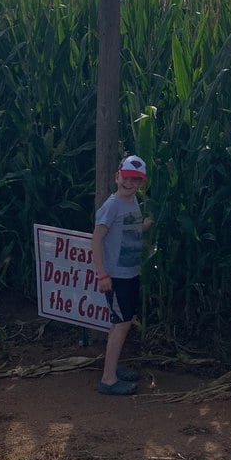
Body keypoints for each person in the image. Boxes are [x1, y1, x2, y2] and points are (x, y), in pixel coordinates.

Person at [92, 155, 153, 396]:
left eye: (136, 181)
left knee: (121, 323)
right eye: (127, 178)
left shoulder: (132, 203)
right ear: (117, 176)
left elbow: (127, 230)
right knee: (121, 324)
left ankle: (113, 367)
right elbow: (96, 241)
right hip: (116, 276)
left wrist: (145, 226)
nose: (130, 184)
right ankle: (108, 379)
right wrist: (102, 275)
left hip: (130, 272)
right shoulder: (111, 206)